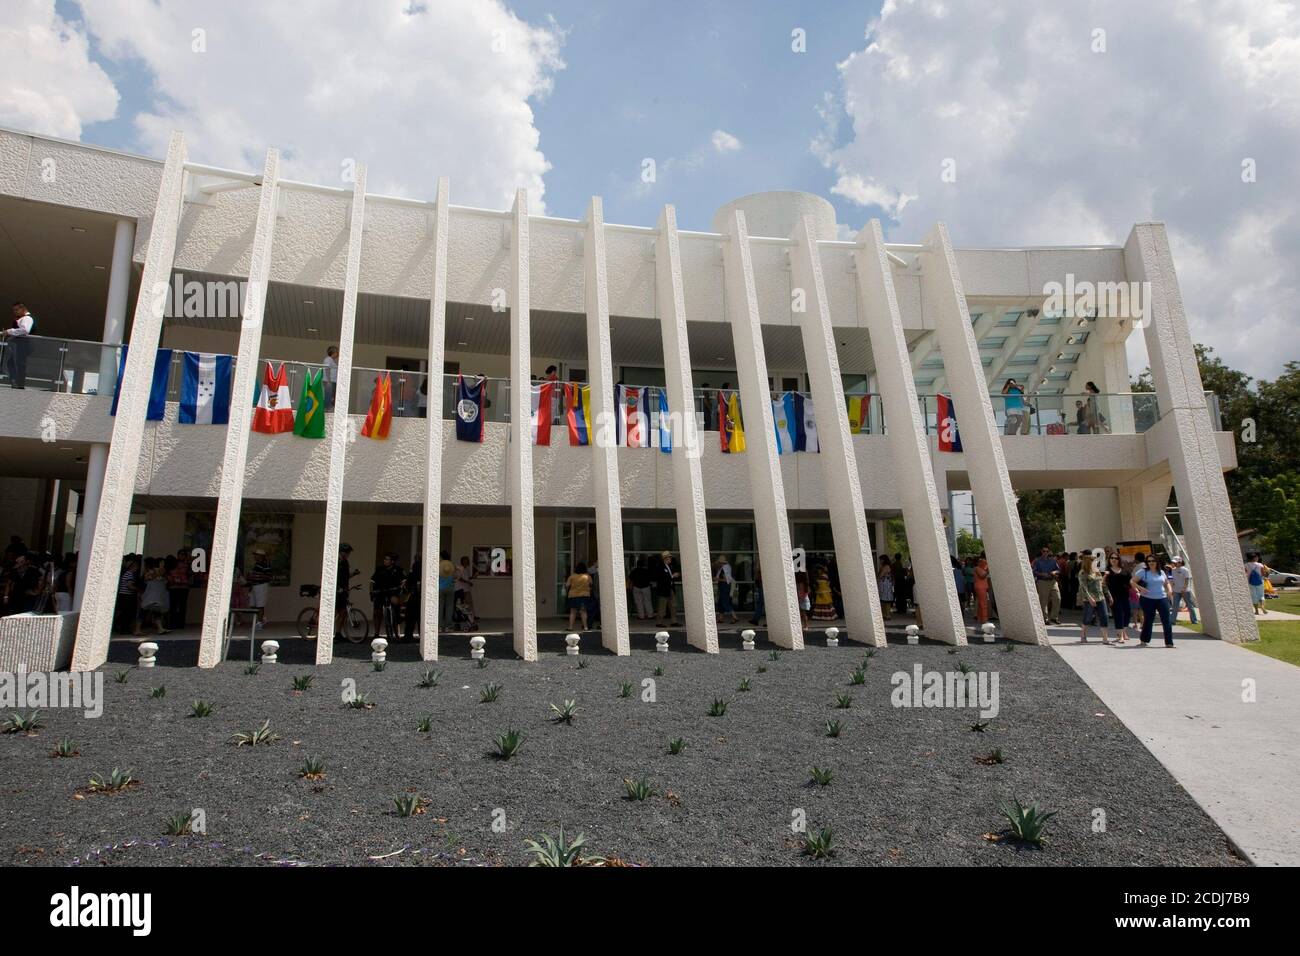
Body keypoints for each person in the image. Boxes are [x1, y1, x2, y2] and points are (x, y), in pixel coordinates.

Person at [1134, 554, 1175, 647]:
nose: (1151, 563)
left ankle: (1169, 642)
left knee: (1166, 620)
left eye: (1153, 561)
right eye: (1149, 561)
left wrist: (1169, 590)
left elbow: (1166, 582)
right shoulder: (1142, 572)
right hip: (1147, 599)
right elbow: (1132, 581)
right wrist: (1139, 588)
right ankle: (1144, 640)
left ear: (1157, 562)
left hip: (1162, 598)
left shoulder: (1161, 572)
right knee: (1148, 620)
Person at [1077, 553, 1113, 644]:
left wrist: (1109, 595)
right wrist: (1089, 598)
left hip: (1101, 597)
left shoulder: (1096, 571)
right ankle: (1083, 636)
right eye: (1093, 561)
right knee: (1087, 618)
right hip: (1090, 599)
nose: (1095, 563)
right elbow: (1083, 587)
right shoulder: (1083, 573)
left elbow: (1102, 584)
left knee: (1104, 616)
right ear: (1088, 562)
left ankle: (1105, 639)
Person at [370, 552, 405, 641]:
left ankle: (397, 634)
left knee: (396, 607)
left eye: (387, 559)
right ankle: (376, 633)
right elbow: (372, 582)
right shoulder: (380, 569)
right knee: (377, 612)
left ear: (392, 561)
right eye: (384, 559)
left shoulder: (398, 570)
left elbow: (404, 580)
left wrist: (401, 588)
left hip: (392, 592)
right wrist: (371, 592)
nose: (384, 561)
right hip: (380, 592)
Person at [3, 301, 35, 389]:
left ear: (23, 309)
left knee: (19, 363)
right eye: (14, 310)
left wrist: (9, 331)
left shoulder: (27, 318)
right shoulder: (22, 318)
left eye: (17, 310)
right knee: (12, 363)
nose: (15, 312)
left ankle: (19, 383)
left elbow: (25, 330)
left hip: (22, 344)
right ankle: (16, 382)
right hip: (19, 344)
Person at [136, 557, 171, 635]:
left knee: (156, 611)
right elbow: (149, 578)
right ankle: (137, 629)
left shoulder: (162, 572)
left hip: (157, 595)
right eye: (162, 563)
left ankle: (160, 628)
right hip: (150, 594)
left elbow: (166, 580)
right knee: (144, 610)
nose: (163, 564)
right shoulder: (151, 571)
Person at [1104, 553, 1133, 643]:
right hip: (1113, 596)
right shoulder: (1107, 571)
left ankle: (1124, 632)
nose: (1114, 559)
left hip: (1125, 595)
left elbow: (1131, 582)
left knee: (1127, 613)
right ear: (1109, 560)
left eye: (1116, 558)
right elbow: (1102, 584)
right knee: (1118, 614)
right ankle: (1120, 636)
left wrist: (1137, 591)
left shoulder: (1125, 570)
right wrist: (1105, 576)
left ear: (1119, 560)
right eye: (1112, 558)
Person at [1031, 546, 1062, 624]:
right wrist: (1042, 574)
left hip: (1052, 581)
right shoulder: (1037, 561)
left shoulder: (1053, 561)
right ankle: (1045, 619)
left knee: (1057, 598)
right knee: (1043, 601)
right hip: (1042, 582)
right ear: (1041, 551)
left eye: (1047, 551)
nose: (1045, 553)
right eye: (1044, 551)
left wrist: (1054, 572)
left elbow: (1058, 570)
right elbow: (1034, 571)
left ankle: (1054, 617)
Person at [336, 543, 360, 637]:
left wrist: (354, 574)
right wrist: (338, 588)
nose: (348, 554)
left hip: (344, 590)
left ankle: (338, 633)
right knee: (334, 612)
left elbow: (346, 577)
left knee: (343, 612)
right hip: (337, 591)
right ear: (342, 552)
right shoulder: (336, 562)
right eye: (347, 552)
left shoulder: (345, 562)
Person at [247, 548, 273, 629]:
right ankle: (261, 619)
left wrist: (258, 576)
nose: (255, 556)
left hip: (261, 586)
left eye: (257, 555)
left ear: (261, 556)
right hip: (254, 585)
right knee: (253, 605)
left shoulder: (265, 565)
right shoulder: (256, 564)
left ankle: (259, 623)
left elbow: (269, 576)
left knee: (260, 605)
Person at [113, 556, 140, 633]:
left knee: (124, 612)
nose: (137, 569)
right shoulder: (129, 574)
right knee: (126, 613)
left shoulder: (126, 574)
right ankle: (124, 629)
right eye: (136, 567)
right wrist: (137, 589)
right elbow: (129, 585)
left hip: (123, 595)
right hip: (126, 596)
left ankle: (123, 628)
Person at [1169, 555, 1199, 625]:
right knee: (1175, 606)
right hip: (1176, 590)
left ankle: (1194, 620)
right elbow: (1173, 580)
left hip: (1185, 591)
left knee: (1189, 606)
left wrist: (1184, 588)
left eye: (1176, 562)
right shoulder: (1173, 570)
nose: (1174, 564)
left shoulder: (1185, 569)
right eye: (1174, 562)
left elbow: (1187, 579)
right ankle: (1172, 621)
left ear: (1180, 562)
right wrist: (1173, 589)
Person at [653, 550, 679, 626]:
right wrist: (672, 576)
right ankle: (659, 622)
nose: (670, 559)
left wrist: (674, 576)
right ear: (665, 558)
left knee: (673, 606)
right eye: (669, 558)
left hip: (670, 589)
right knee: (662, 607)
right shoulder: (660, 567)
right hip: (663, 590)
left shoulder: (670, 566)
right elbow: (661, 578)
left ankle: (674, 622)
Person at [166, 550, 191, 629]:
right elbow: (167, 573)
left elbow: (190, 574)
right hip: (173, 587)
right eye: (180, 554)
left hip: (184, 587)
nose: (182, 556)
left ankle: (180, 624)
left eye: (183, 554)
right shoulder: (172, 563)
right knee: (173, 606)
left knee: (182, 606)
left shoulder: (188, 564)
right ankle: (172, 623)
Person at [565, 561, 592, 630]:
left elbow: (567, 585)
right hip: (584, 595)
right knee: (583, 611)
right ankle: (585, 627)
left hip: (573, 595)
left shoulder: (572, 576)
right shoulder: (587, 576)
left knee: (573, 612)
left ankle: (570, 627)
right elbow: (591, 585)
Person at [714, 554, 738, 624]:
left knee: (725, 602)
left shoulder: (724, 569)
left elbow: (726, 580)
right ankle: (720, 618)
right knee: (721, 602)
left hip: (724, 587)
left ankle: (735, 617)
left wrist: (717, 579)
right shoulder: (727, 567)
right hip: (725, 587)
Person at [403, 553, 421, 642]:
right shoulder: (422, 568)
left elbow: (408, 584)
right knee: (419, 618)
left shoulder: (415, 568)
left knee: (410, 618)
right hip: (419, 596)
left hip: (413, 596)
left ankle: (408, 636)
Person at [629, 556, 653, 621]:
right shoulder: (647, 571)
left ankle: (641, 616)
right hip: (646, 587)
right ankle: (650, 615)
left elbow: (631, 580)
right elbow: (650, 579)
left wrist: (630, 588)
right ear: (643, 564)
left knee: (638, 602)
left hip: (636, 587)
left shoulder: (634, 571)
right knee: (647, 601)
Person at [437, 551, 456, 630]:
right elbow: (456, 575)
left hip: (440, 588)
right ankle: (448, 625)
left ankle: (439, 625)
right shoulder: (451, 565)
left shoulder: (439, 565)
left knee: (440, 606)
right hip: (450, 587)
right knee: (449, 606)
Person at [973, 556, 991, 625]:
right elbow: (982, 576)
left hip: (981, 586)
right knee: (983, 603)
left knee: (981, 603)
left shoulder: (979, 568)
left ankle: (980, 617)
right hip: (980, 587)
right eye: (984, 562)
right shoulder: (978, 568)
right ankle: (984, 619)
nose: (985, 563)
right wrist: (987, 570)